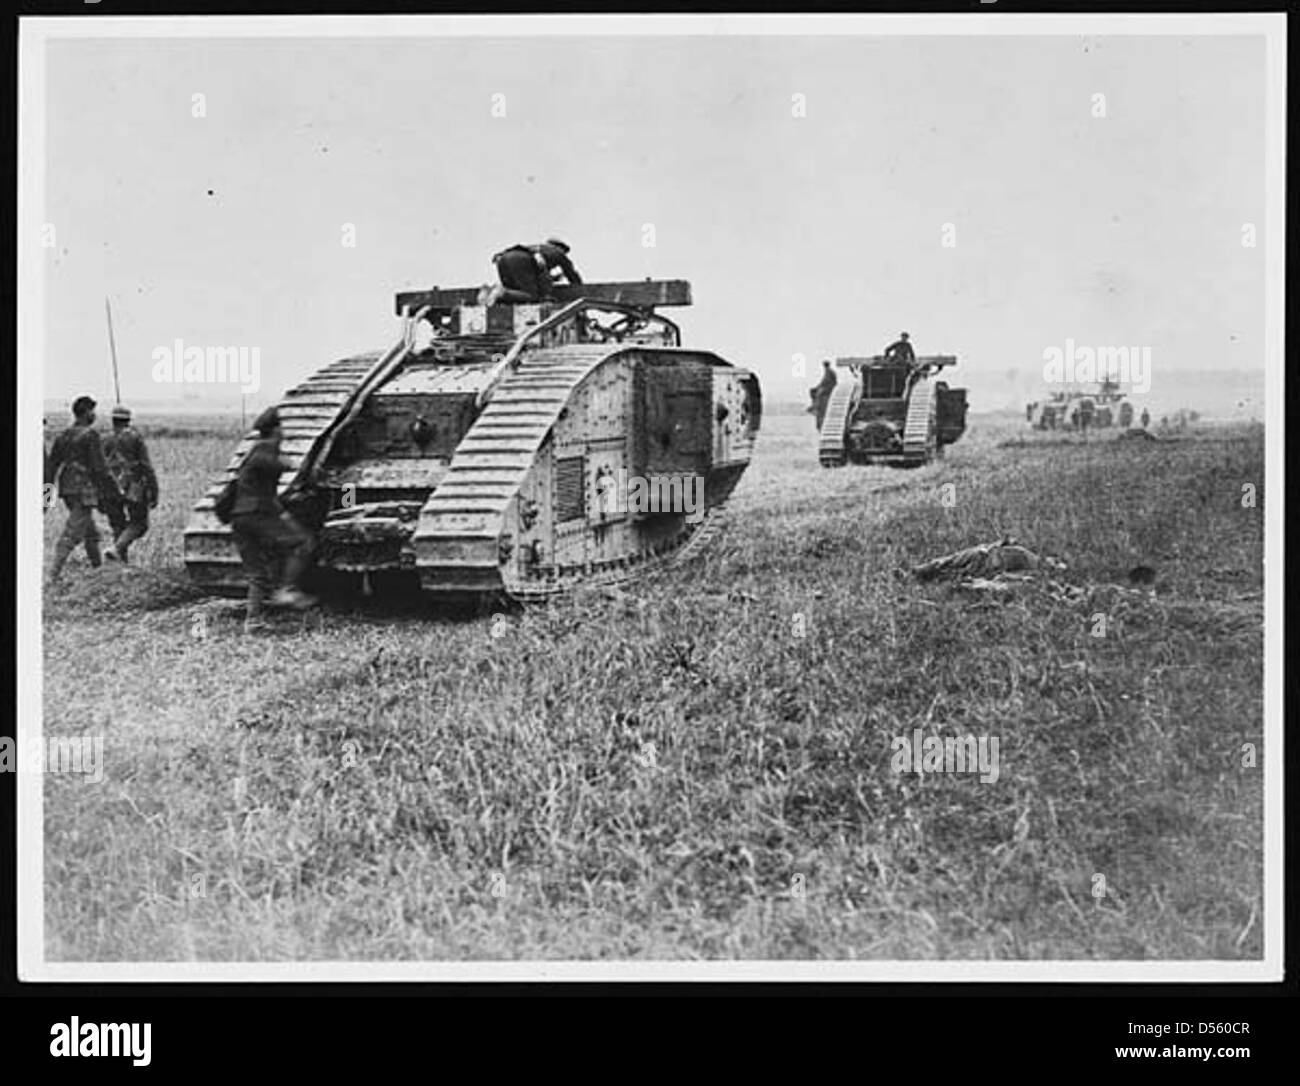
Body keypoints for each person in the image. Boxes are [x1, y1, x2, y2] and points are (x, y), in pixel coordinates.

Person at [229, 407, 317, 632]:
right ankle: (286, 589)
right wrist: (289, 464)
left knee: (257, 573)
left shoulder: (250, 452)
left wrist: (284, 512)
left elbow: (261, 487)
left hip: (240, 517)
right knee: (303, 542)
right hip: (257, 515)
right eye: (281, 428)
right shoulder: (265, 449)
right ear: (276, 429)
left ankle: (253, 620)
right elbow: (272, 466)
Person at [45, 396, 121, 585]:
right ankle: (51, 577)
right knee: (72, 533)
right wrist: (115, 489)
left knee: (91, 533)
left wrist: (46, 496)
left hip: (67, 489)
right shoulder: (91, 435)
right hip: (83, 489)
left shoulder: (63, 435)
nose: (95, 414)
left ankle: (98, 572)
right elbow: (100, 468)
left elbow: (52, 467)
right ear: (86, 413)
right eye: (92, 411)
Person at [101, 405, 159, 564]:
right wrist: (154, 491)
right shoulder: (135, 437)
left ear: (113, 420)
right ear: (128, 420)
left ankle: (120, 564)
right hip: (133, 485)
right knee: (140, 524)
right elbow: (146, 466)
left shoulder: (104, 438)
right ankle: (117, 549)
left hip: (109, 486)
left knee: (117, 525)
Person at [483, 238, 583, 305]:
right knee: (532, 296)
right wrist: (580, 288)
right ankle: (502, 293)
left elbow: (539, 274)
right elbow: (571, 274)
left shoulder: (536, 248)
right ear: (560, 248)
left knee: (516, 292)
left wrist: (554, 279)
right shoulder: (558, 252)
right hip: (521, 260)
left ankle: (489, 292)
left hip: (502, 258)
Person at [809, 359, 838, 429]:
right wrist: (818, 386)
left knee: (819, 393)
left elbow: (825, 381)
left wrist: (818, 386)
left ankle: (815, 406)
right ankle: (814, 406)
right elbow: (823, 381)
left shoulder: (829, 372)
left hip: (830, 386)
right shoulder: (829, 371)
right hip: (829, 385)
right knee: (814, 391)